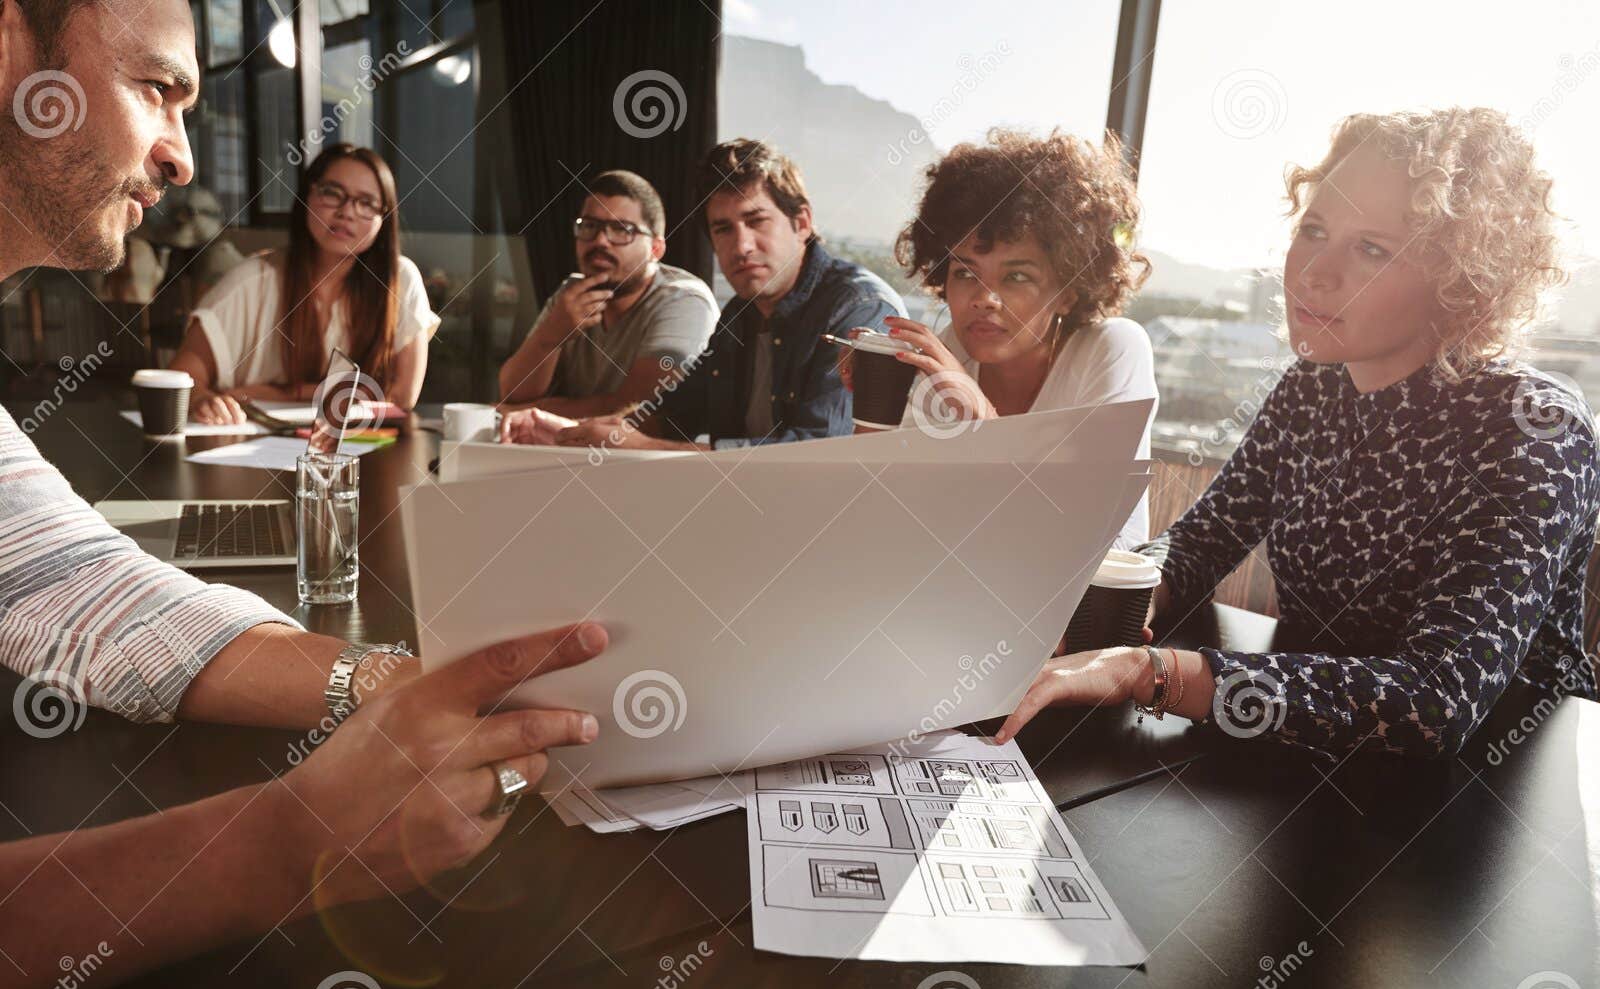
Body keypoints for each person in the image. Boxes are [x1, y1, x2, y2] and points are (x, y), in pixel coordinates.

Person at [0, 0, 605, 989]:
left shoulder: (394, 286)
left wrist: (396, 680)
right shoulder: (262, 278)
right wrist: (292, 840)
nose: (182, 155)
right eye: (157, 88)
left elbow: (75, 587)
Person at [997, 108, 1599, 760]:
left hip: (1499, 785)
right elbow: (1203, 539)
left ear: (1462, 280)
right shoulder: (1312, 386)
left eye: (1372, 248)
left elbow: (1435, 703)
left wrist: (1151, 673)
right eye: (1314, 230)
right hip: (1314, 757)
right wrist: (1120, 599)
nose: (1314, 272)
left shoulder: (1535, 430)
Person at [842, 129, 1157, 550]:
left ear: (1069, 291)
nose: (983, 299)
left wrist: (983, 424)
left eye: (1017, 276)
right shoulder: (949, 352)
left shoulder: (1112, 349)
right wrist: (873, 410)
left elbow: (1090, 539)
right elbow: (878, 518)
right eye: (965, 272)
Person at [506, 138, 904, 451]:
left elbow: (817, 451)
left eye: (756, 221)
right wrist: (574, 432)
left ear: (802, 223)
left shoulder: (859, 308)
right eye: (723, 229)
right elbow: (674, 413)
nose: (741, 246)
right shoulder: (740, 312)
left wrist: (646, 448)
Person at [173, 142, 439, 424]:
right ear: (307, 196)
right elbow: (181, 378)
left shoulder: (400, 279)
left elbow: (401, 398)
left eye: (366, 203)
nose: (347, 212)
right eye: (333, 193)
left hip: (360, 443)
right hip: (250, 440)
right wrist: (203, 399)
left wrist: (285, 392)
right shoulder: (252, 281)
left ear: (383, 217)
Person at [498, 170, 717, 417]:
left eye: (622, 229)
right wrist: (550, 336)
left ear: (655, 249)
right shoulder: (571, 294)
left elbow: (639, 407)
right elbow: (511, 394)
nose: (600, 241)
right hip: (562, 441)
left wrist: (532, 412)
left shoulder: (685, 299)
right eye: (590, 226)